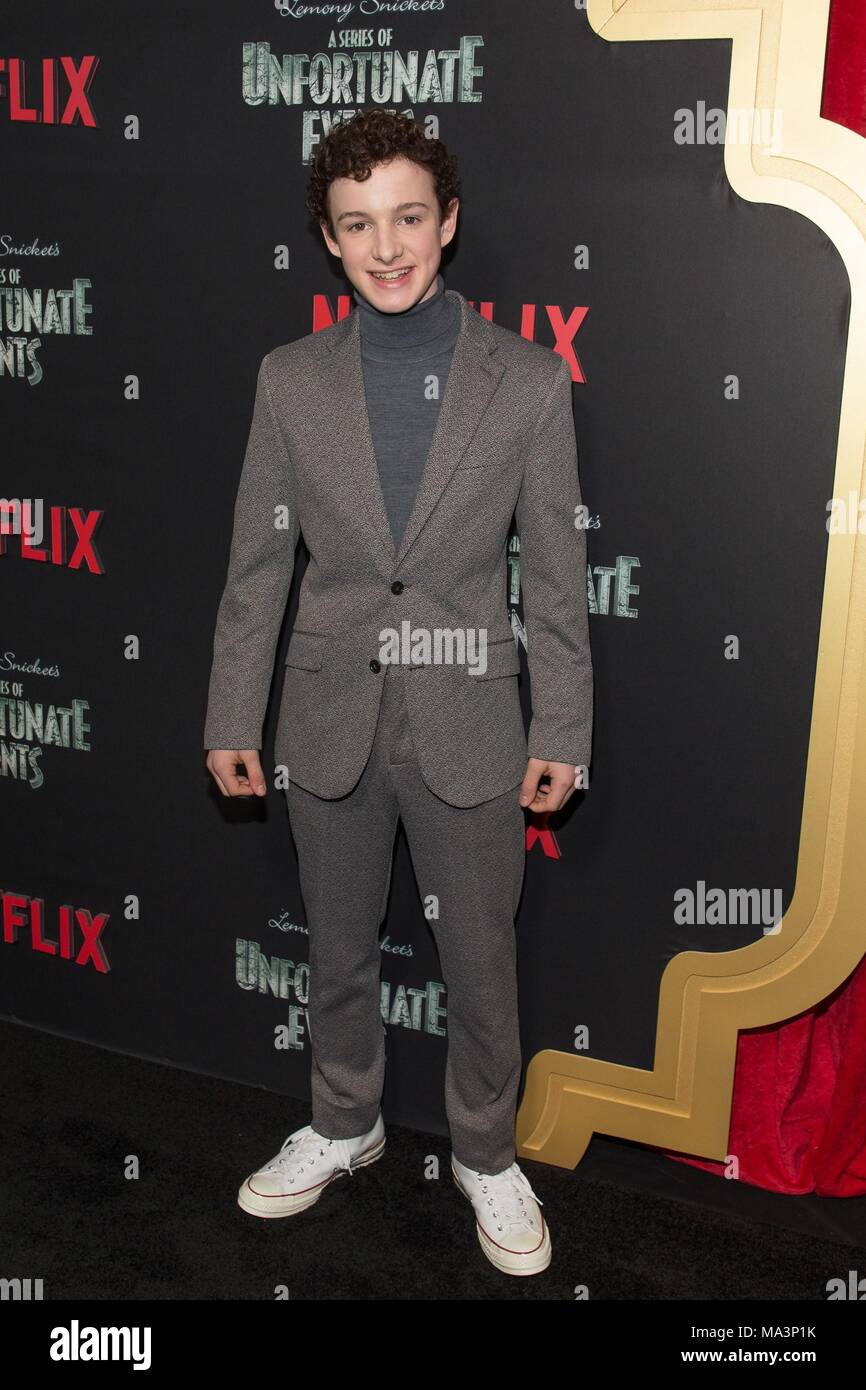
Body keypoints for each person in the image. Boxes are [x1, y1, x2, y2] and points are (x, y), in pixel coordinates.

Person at [203, 109, 593, 1277]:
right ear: (328, 240)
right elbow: (257, 563)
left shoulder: (525, 382)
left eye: (408, 218)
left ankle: (484, 1151)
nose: (386, 246)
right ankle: (341, 1120)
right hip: (324, 711)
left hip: (472, 718)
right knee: (335, 948)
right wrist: (232, 711)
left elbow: (560, 580)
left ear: (448, 223)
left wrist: (563, 725)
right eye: (358, 224)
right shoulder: (286, 380)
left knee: (479, 956)